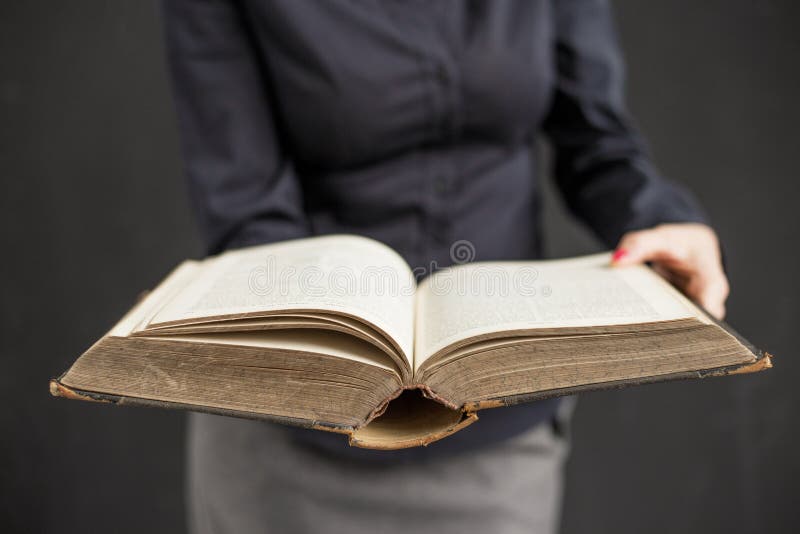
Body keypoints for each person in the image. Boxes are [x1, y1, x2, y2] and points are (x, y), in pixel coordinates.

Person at [162, 1, 729, 533]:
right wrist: (336, 352)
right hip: (291, 443)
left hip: (495, 428)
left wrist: (661, 218)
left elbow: (598, 142)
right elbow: (247, 208)